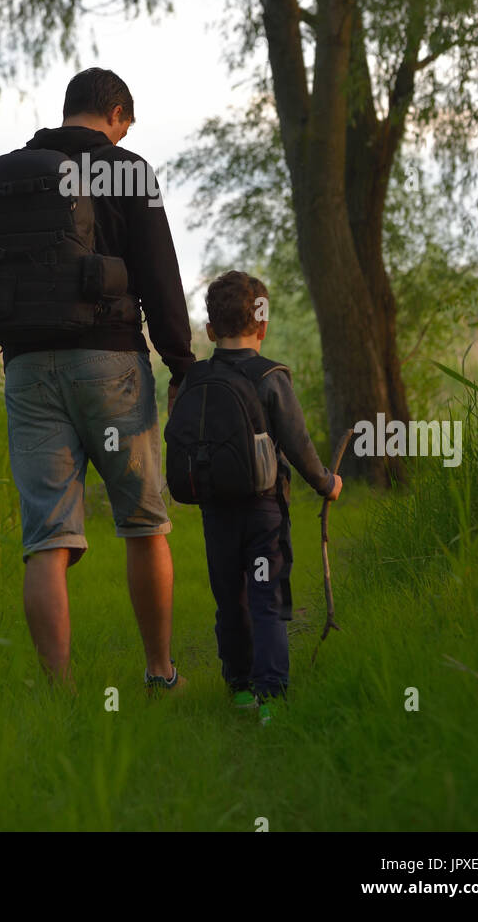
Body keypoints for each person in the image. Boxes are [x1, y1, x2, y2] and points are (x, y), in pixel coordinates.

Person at [0, 68, 195, 689]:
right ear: (116, 115)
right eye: (126, 126)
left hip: (27, 367)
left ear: (66, 111)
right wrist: (181, 361)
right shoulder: (128, 170)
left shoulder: (10, 171)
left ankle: (57, 694)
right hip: (110, 363)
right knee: (144, 523)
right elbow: (160, 275)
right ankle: (160, 672)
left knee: (48, 539)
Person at [189, 270, 342, 721]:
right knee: (266, 595)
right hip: (264, 511)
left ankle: (238, 687)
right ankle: (271, 695)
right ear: (263, 326)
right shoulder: (272, 377)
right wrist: (325, 483)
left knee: (229, 600)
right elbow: (297, 443)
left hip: (215, 511)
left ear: (210, 330)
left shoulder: (197, 379)